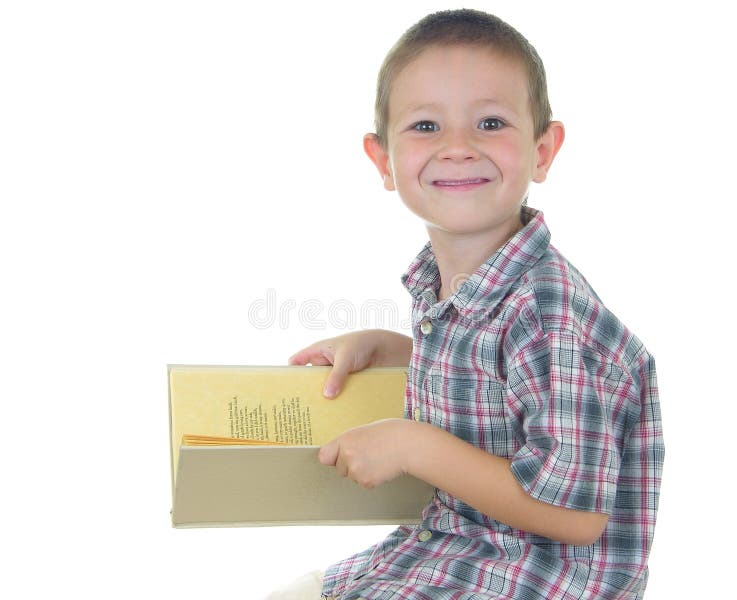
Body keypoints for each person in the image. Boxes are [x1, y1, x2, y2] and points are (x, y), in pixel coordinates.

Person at [270, 8, 664, 600]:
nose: (457, 147)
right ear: (383, 161)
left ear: (542, 151)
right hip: (458, 544)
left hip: (539, 576)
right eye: (426, 126)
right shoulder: (456, 284)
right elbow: (494, 379)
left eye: (489, 123)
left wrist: (412, 446)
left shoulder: (549, 309)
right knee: (298, 591)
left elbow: (576, 516)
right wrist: (392, 347)